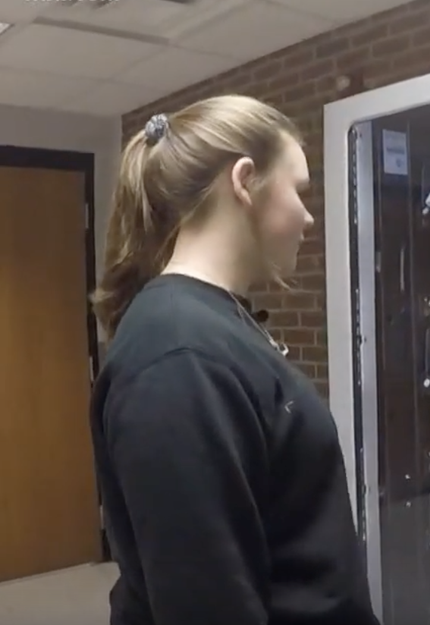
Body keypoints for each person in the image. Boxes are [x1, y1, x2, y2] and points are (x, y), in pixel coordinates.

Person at [89, 95, 378, 625]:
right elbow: (205, 600)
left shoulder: (215, 323)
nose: (309, 217)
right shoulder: (178, 355)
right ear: (245, 181)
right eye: (300, 191)